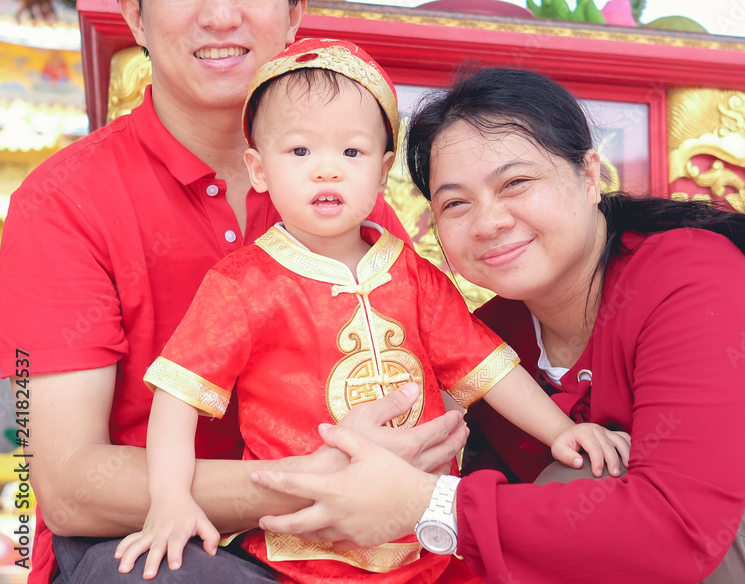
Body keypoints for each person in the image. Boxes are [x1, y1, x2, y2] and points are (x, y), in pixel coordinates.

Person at [249, 67, 745, 584]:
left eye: (516, 183)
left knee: (585, 495)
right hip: (728, 552)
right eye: (456, 204)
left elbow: (676, 531)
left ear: (590, 174)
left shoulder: (692, 279)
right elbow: (446, 466)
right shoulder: (492, 337)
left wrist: (422, 505)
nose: (491, 221)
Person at [0, 0, 467, 584]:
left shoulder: (338, 191)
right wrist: (316, 479)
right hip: (154, 542)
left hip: (348, 544)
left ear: (293, 13)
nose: (221, 15)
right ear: (132, 16)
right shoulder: (64, 203)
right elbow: (66, 485)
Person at [113, 39, 629, 583]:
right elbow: (178, 397)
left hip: (428, 542)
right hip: (300, 551)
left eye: (351, 153)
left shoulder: (412, 274)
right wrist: (169, 501)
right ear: (258, 169)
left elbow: (487, 369)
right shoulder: (242, 285)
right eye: (300, 152)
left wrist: (558, 432)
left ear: (383, 173)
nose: (326, 172)